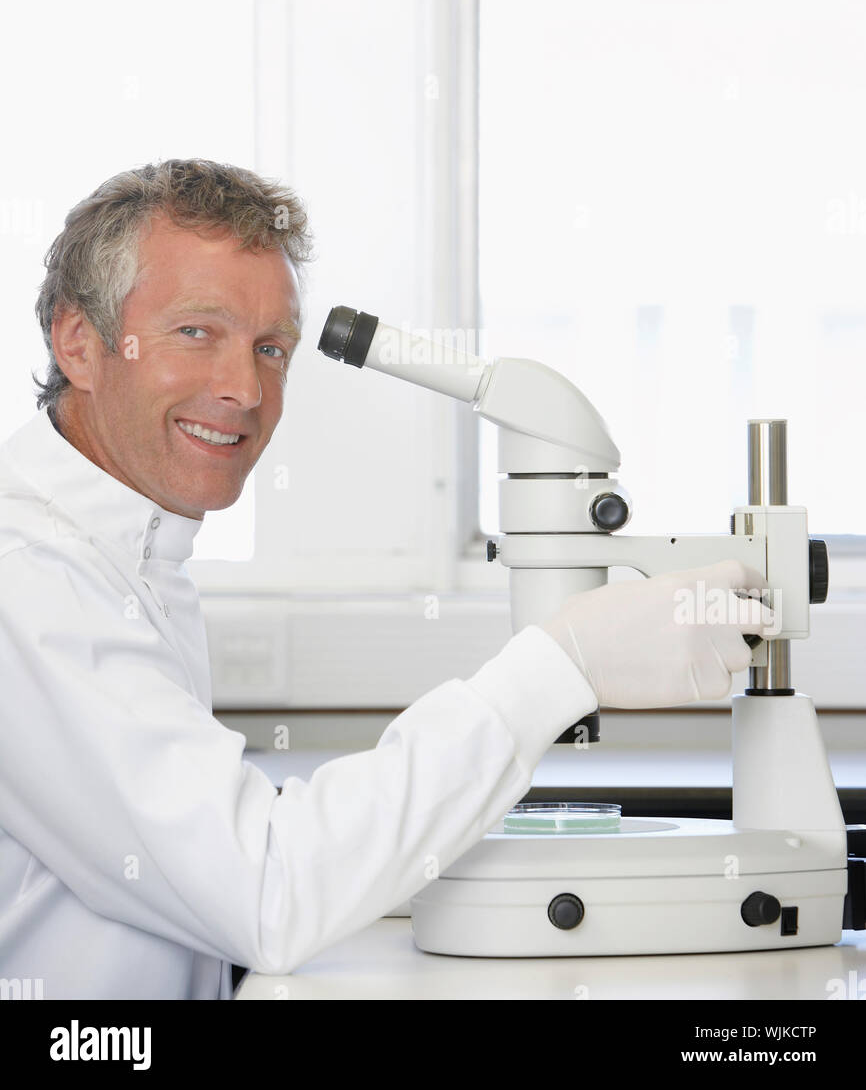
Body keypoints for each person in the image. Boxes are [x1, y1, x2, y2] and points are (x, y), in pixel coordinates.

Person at [0, 158, 765, 999]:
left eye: (270, 349)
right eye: (197, 333)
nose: (246, 389)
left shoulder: (135, 550)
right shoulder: (31, 579)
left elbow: (210, 849)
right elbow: (267, 889)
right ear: (79, 342)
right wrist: (562, 665)